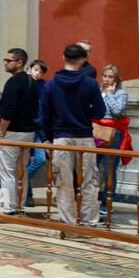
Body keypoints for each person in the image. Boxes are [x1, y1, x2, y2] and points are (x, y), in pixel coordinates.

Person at [42, 43, 106, 229]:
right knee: (89, 182)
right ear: (83, 60)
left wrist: (48, 136)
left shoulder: (51, 85)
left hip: (61, 137)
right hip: (85, 136)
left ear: (63, 57)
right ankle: (89, 221)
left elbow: (45, 115)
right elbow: (100, 112)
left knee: (64, 183)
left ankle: (68, 223)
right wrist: (85, 112)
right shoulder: (90, 84)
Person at [0, 47, 39, 216]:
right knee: (22, 170)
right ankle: (19, 204)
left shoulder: (13, 82)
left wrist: (2, 132)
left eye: (8, 60)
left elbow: (8, 111)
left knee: (7, 171)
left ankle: (8, 206)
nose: (5, 63)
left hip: (12, 132)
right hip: (28, 132)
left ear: (19, 62)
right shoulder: (31, 82)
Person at [94, 64, 130, 214]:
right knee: (92, 168)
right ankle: (90, 200)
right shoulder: (96, 91)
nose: (107, 79)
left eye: (110, 77)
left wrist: (109, 94)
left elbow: (117, 111)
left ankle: (106, 204)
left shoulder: (121, 93)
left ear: (116, 79)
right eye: (105, 76)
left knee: (109, 170)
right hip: (96, 132)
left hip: (113, 133)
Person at [23, 59, 50, 204]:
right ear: (30, 69)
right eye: (36, 70)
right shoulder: (24, 82)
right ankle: (26, 192)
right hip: (25, 127)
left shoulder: (43, 87)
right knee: (25, 160)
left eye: (41, 72)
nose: (38, 73)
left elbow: (43, 110)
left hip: (38, 130)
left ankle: (22, 178)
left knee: (40, 159)